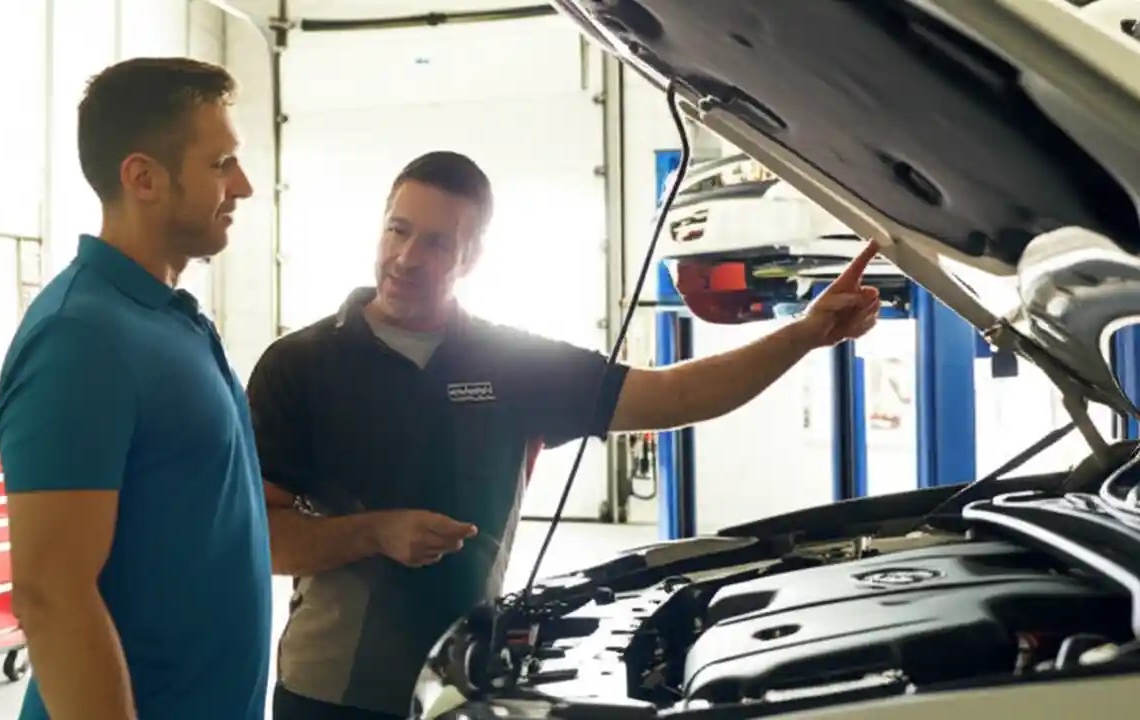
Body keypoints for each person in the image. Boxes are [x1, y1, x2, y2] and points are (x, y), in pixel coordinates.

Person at [245, 151, 882, 719]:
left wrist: (806, 332)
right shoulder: (299, 365)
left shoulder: (509, 363)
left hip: (462, 684)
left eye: (438, 243)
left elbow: (679, 394)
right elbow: (263, 541)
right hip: (330, 694)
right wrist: (375, 531)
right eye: (399, 230)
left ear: (472, 256)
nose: (408, 258)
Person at [0, 57, 269, 720]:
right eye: (220, 164)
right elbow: (49, 593)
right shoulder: (82, 337)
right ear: (142, 177)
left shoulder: (167, 317)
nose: (245, 186)